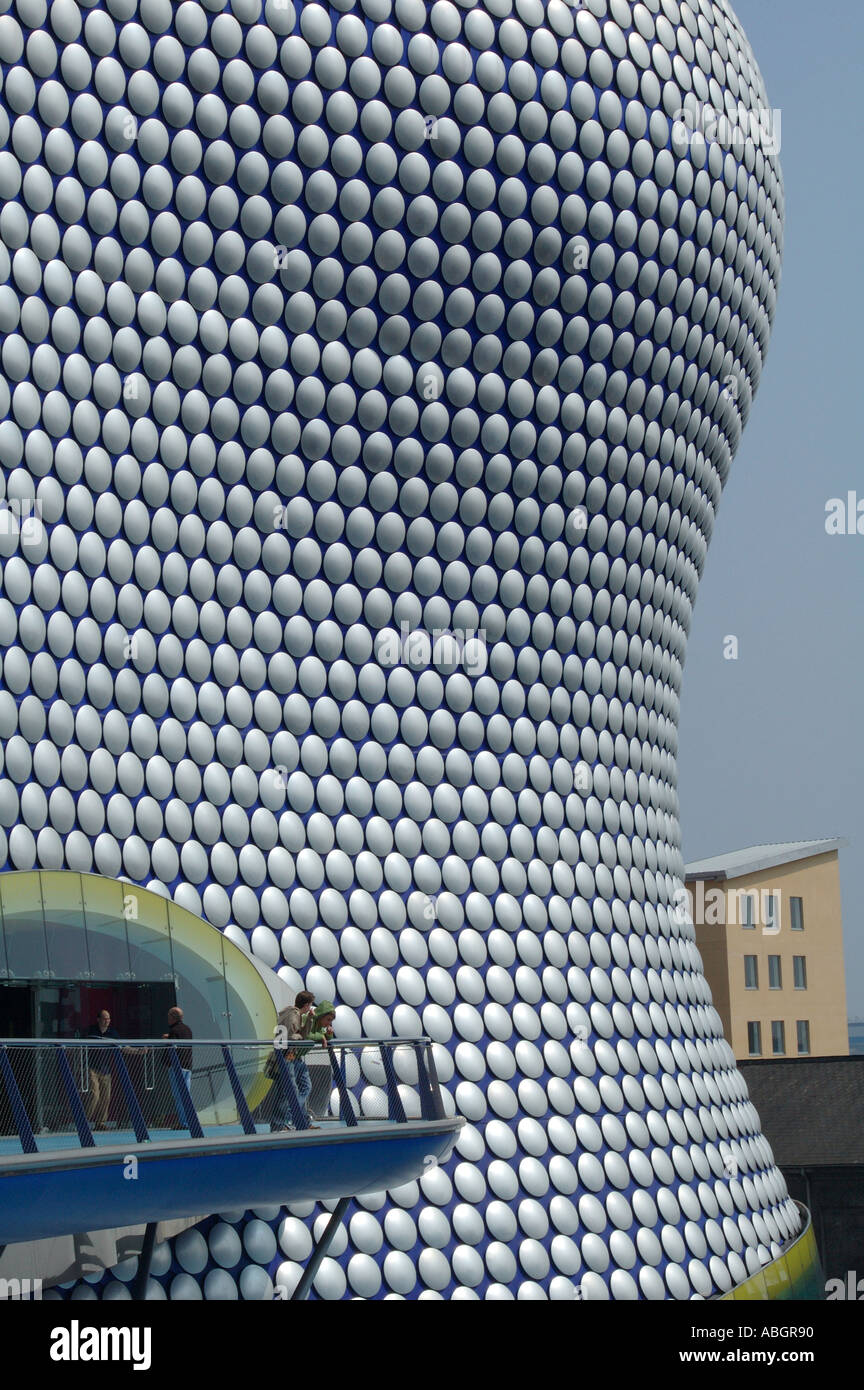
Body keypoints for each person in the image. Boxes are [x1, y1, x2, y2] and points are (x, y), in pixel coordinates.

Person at [83, 1010, 147, 1131]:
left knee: (105, 1097)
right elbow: (79, 1044)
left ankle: (100, 1123)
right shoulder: (91, 1031)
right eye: (104, 1018)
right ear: (98, 1019)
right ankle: (84, 1122)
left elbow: (123, 1047)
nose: (106, 1021)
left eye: (108, 1019)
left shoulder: (112, 1033)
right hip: (92, 1067)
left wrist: (138, 1051)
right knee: (94, 1094)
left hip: (105, 1069)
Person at [269, 991, 316, 1132]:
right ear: (306, 1005)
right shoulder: (293, 1015)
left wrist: (309, 1021)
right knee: (289, 1091)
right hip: (286, 1056)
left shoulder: (293, 1014)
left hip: (288, 1056)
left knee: (289, 1091)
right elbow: (291, 1037)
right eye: (310, 1005)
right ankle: (280, 1123)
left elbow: (300, 1035)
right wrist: (300, 1037)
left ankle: (292, 1121)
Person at [304, 1001, 337, 1121]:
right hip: (291, 1057)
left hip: (298, 1059)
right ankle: (294, 1117)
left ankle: (301, 1117)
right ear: (321, 1015)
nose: (329, 1023)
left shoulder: (319, 1026)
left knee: (305, 1087)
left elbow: (320, 1035)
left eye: (331, 1021)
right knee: (301, 1088)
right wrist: (322, 1037)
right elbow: (306, 1035)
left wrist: (328, 1035)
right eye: (328, 1019)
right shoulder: (309, 1019)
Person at [162, 1006, 193, 1129]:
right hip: (187, 1065)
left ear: (172, 1017)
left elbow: (173, 1047)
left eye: (169, 1016)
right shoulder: (187, 1029)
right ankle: (189, 1120)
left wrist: (166, 1062)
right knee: (186, 1094)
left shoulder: (174, 1030)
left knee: (179, 1096)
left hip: (177, 1066)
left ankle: (184, 1122)